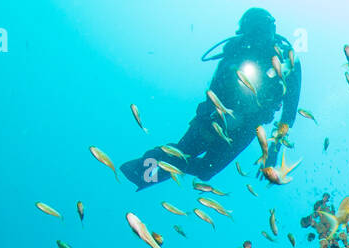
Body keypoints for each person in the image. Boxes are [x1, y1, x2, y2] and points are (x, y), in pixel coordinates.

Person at [122, 8, 300, 190]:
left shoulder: (288, 61)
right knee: (183, 152)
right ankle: (141, 173)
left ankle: (147, 167)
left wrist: (273, 149)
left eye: (265, 30)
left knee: (206, 171)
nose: (260, 37)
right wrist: (210, 117)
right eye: (256, 31)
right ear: (246, 32)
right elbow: (215, 88)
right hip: (213, 118)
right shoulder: (236, 51)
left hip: (248, 128)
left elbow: (289, 112)